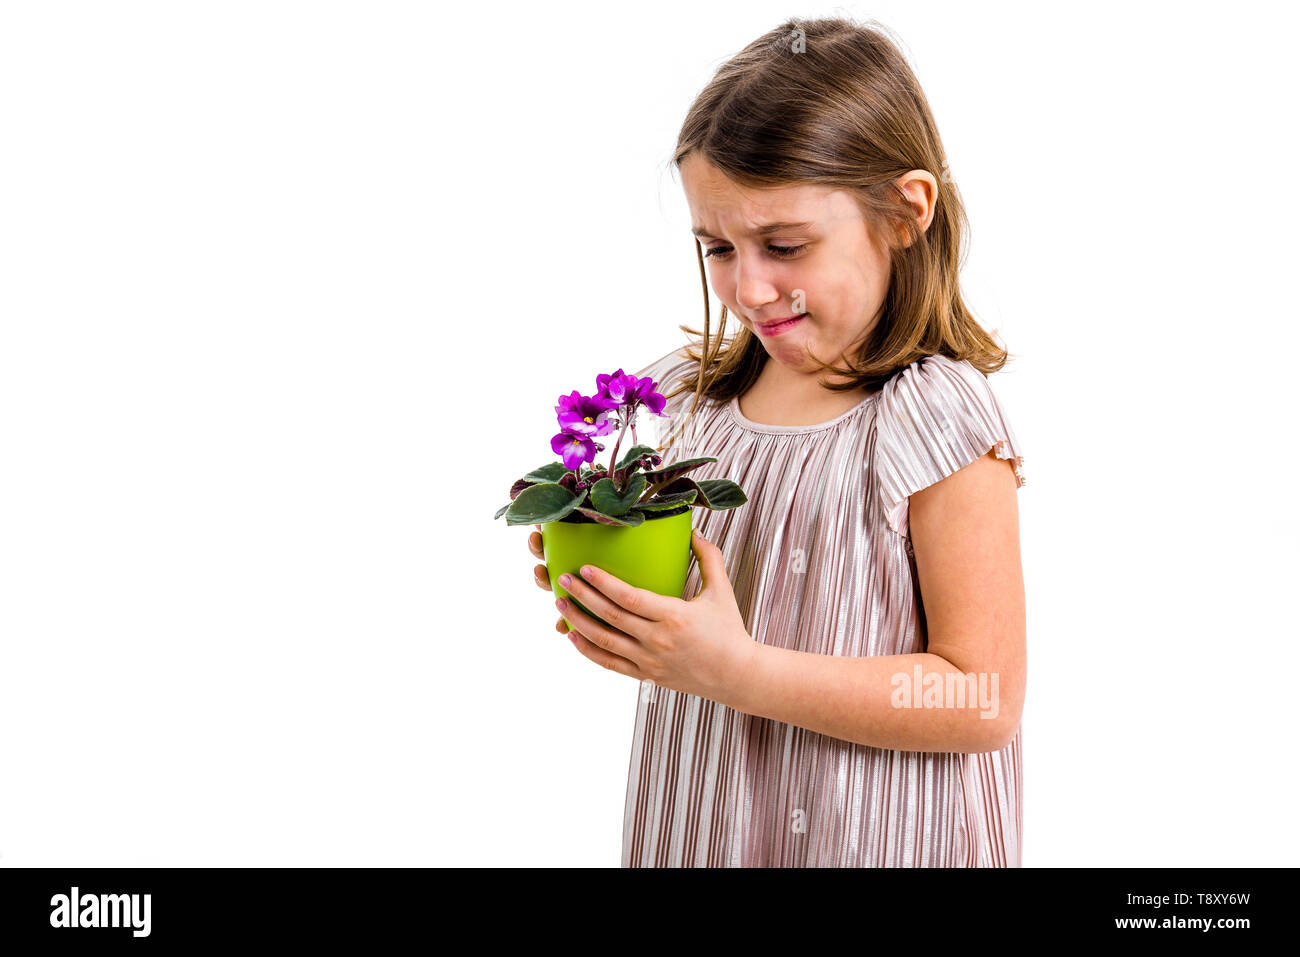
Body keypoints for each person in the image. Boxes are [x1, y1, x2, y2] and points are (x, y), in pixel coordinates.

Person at [530, 16, 1027, 867]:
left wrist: (742, 672)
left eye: (785, 244)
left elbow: (981, 696)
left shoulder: (933, 416)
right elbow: (699, 632)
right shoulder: (692, 405)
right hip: (702, 832)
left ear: (907, 213)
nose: (749, 286)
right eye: (718, 246)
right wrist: (625, 604)